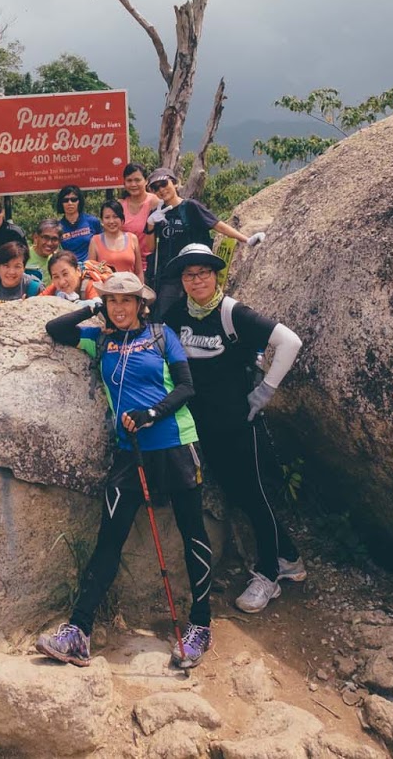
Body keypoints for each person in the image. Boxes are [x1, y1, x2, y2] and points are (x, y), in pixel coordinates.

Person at [37, 272, 214, 669]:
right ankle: (78, 632)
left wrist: (151, 413)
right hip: (129, 454)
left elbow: (186, 387)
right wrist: (93, 306)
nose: (118, 308)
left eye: (126, 301)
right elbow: (56, 328)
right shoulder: (100, 340)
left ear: (140, 304)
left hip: (177, 445)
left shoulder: (160, 334)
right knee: (108, 541)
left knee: (193, 535)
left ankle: (201, 625)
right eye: (112, 301)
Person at [161, 243, 306, 613]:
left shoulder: (232, 313)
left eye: (204, 272)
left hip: (241, 426)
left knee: (255, 497)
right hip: (204, 427)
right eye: (189, 275)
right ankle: (288, 557)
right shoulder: (178, 313)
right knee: (240, 496)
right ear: (182, 280)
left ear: (215, 275)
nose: (197, 280)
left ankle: (269, 575)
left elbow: (289, 342)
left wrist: (266, 390)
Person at [143, 168, 265, 318]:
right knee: (164, 316)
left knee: (200, 314)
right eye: (156, 187)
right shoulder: (157, 213)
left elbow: (217, 225)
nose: (161, 189)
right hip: (171, 276)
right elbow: (150, 248)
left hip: (195, 271)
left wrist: (246, 239)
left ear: (174, 183)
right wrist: (150, 224)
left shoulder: (190, 207)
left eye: (164, 183)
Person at [88, 198, 143, 278]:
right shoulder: (95, 241)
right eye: (107, 217)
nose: (111, 221)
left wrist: (140, 288)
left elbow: (139, 272)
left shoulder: (132, 238)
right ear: (102, 220)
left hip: (131, 288)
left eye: (115, 217)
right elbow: (92, 273)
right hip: (105, 289)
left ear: (121, 218)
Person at [55, 184, 103, 263]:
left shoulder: (92, 221)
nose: (70, 203)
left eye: (74, 199)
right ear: (61, 203)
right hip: (69, 269)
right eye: (65, 200)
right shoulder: (58, 227)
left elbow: (102, 246)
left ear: (79, 201)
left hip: (91, 269)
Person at [118, 162, 162, 240]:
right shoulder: (120, 205)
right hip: (125, 251)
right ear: (124, 183)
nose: (133, 184)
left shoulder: (154, 202)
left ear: (146, 181)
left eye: (137, 180)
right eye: (129, 180)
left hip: (151, 252)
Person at [26, 219, 64, 286]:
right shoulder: (24, 256)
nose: (49, 243)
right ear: (36, 237)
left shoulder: (58, 261)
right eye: (45, 237)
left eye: (54, 239)